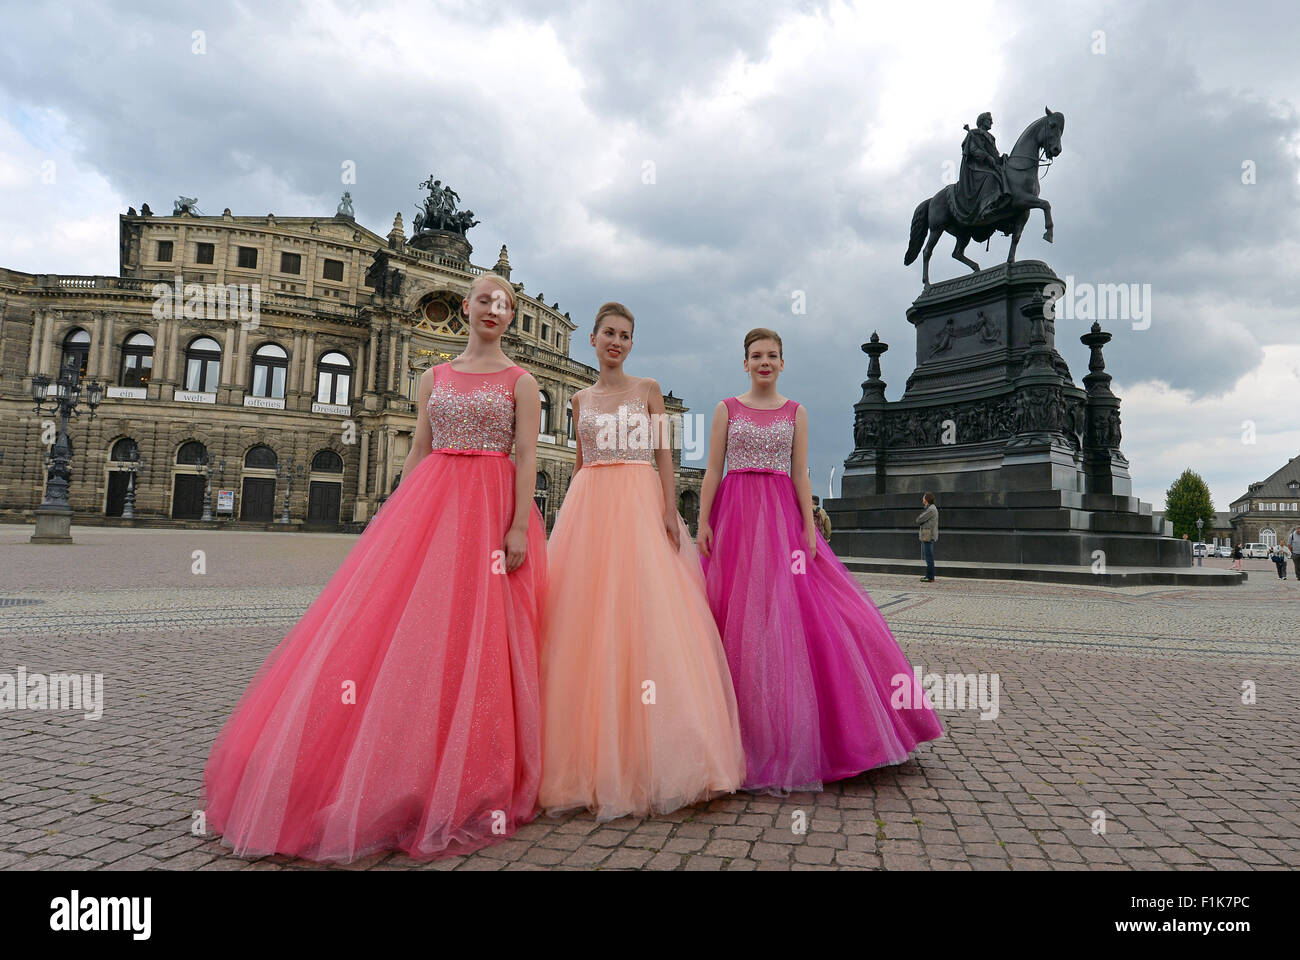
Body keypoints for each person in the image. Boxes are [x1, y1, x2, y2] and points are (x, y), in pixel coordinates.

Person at [202, 273, 548, 863]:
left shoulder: (524, 382)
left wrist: (517, 526)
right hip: (431, 503)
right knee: (407, 630)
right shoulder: (431, 377)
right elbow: (418, 448)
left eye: (506, 304)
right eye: (485, 300)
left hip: (491, 508)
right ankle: (394, 767)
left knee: (479, 633)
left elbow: (525, 456)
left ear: (513, 316)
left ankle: (467, 767)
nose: (494, 309)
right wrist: (395, 517)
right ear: (465, 308)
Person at [697, 327, 943, 794]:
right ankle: (730, 731)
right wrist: (703, 522)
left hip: (781, 517)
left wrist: (809, 527)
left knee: (797, 613)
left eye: (772, 355)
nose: (764, 362)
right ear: (744, 362)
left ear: (783, 363)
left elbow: (800, 472)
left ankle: (826, 733)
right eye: (756, 355)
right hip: (735, 517)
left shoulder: (796, 412)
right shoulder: (726, 409)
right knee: (733, 613)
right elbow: (713, 469)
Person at [538, 302, 744, 820]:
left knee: (647, 612)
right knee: (582, 617)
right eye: (608, 333)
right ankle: (584, 760)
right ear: (592, 339)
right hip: (589, 502)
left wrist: (670, 507)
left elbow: (665, 456)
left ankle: (665, 752)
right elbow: (581, 460)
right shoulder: (579, 397)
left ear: (632, 344)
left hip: (637, 494)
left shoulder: (648, 389)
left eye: (625, 335)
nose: (616, 341)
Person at [916, 492, 939, 582]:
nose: (922, 499)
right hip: (927, 535)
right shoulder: (930, 508)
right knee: (928, 556)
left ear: (926, 499)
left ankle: (930, 577)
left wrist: (920, 519)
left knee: (928, 557)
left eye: (923, 497)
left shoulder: (931, 509)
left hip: (928, 536)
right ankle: (929, 576)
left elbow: (919, 519)